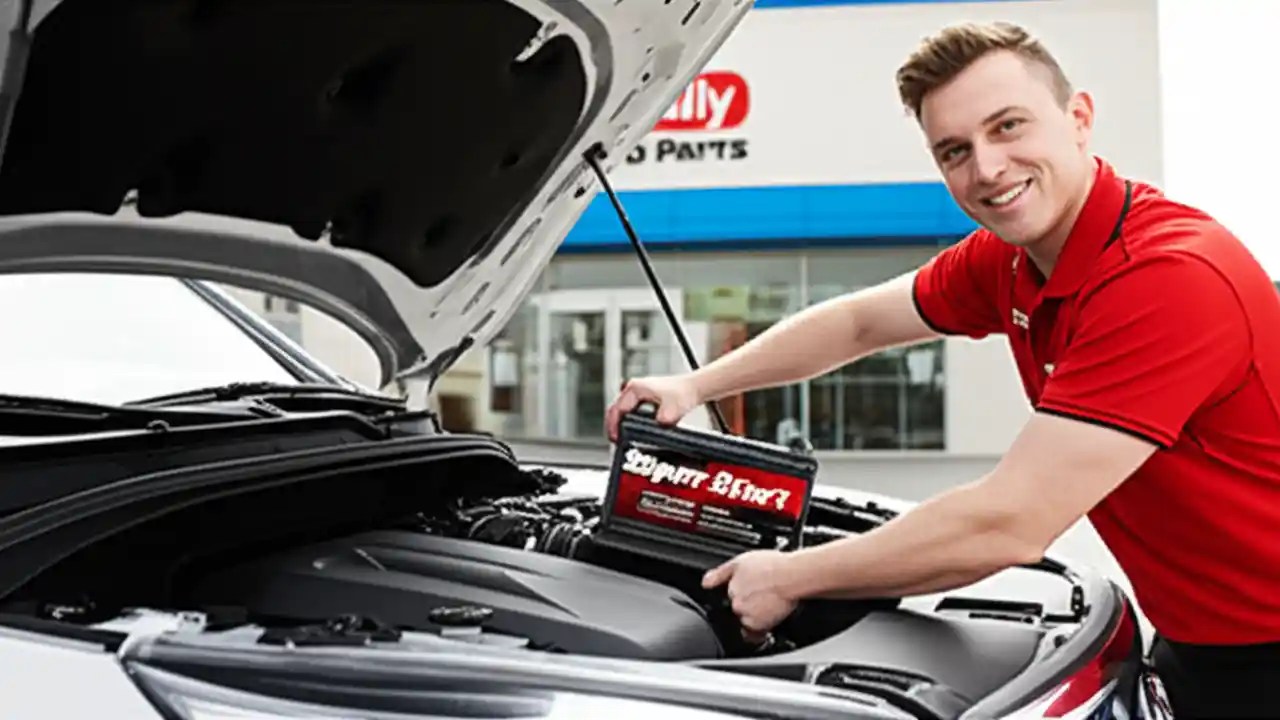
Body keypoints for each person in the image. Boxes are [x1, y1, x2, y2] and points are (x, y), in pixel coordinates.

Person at [604, 21, 1280, 718]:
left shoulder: (1165, 277)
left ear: (1079, 118)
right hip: (1199, 638)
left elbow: (1009, 522)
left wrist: (792, 577)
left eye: (1008, 126)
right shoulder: (1015, 257)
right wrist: (696, 385)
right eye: (955, 150)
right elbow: (859, 323)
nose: (986, 169)